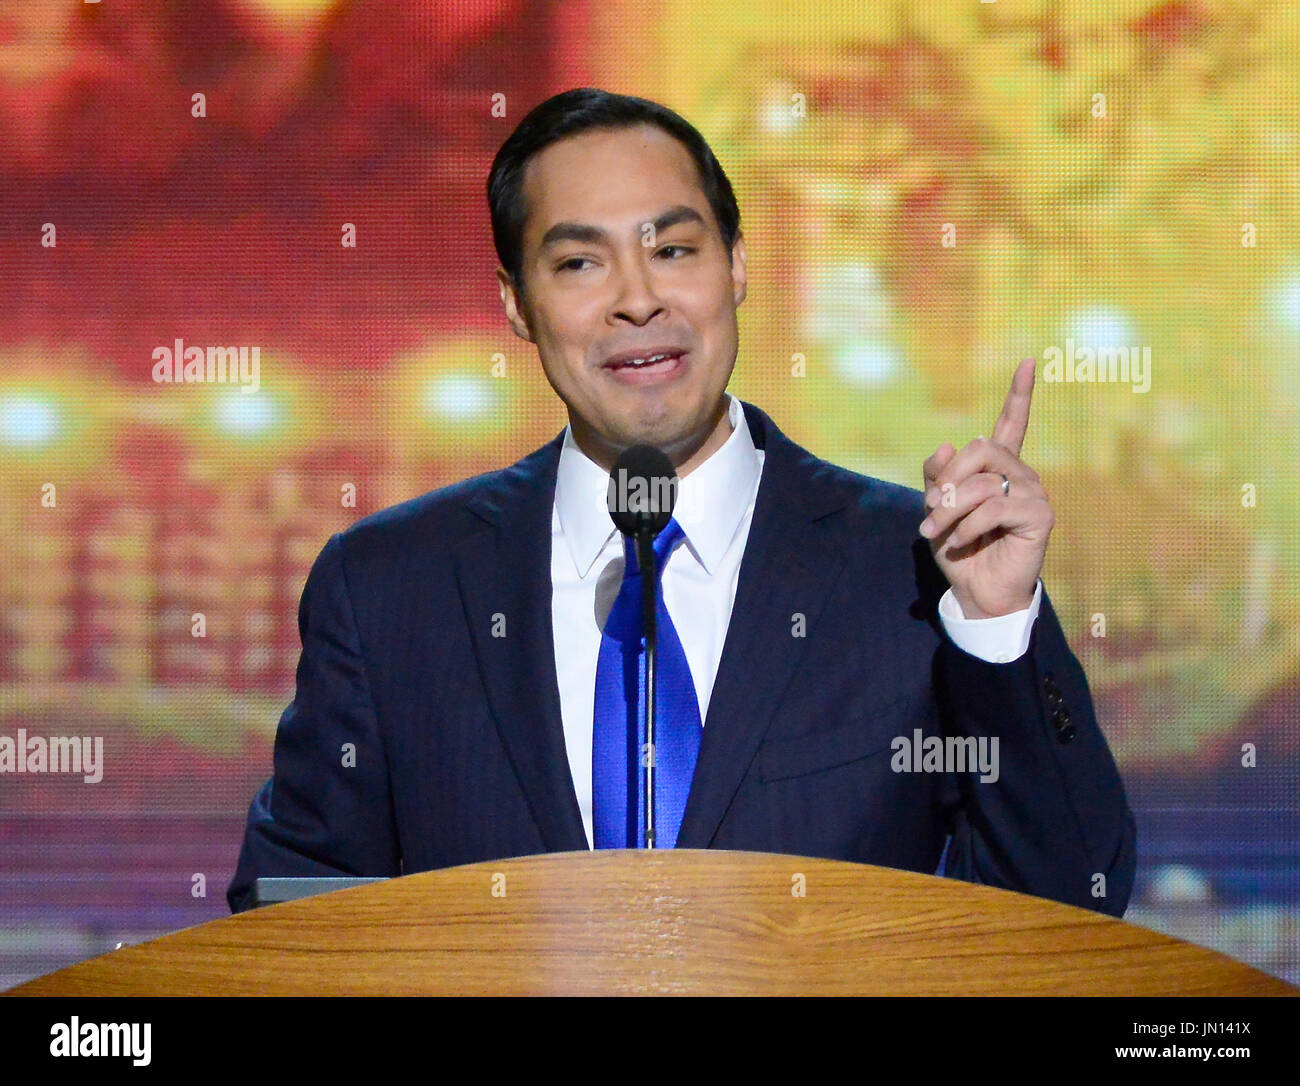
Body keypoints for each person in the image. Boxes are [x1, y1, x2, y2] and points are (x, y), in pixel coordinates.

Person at [228, 88, 1135, 916]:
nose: (638, 300)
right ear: (516, 305)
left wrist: (996, 631)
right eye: (579, 262)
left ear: (736, 265)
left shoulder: (914, 562)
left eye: (672, 250)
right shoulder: (390, 586)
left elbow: (1070, 908)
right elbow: (293, 918)